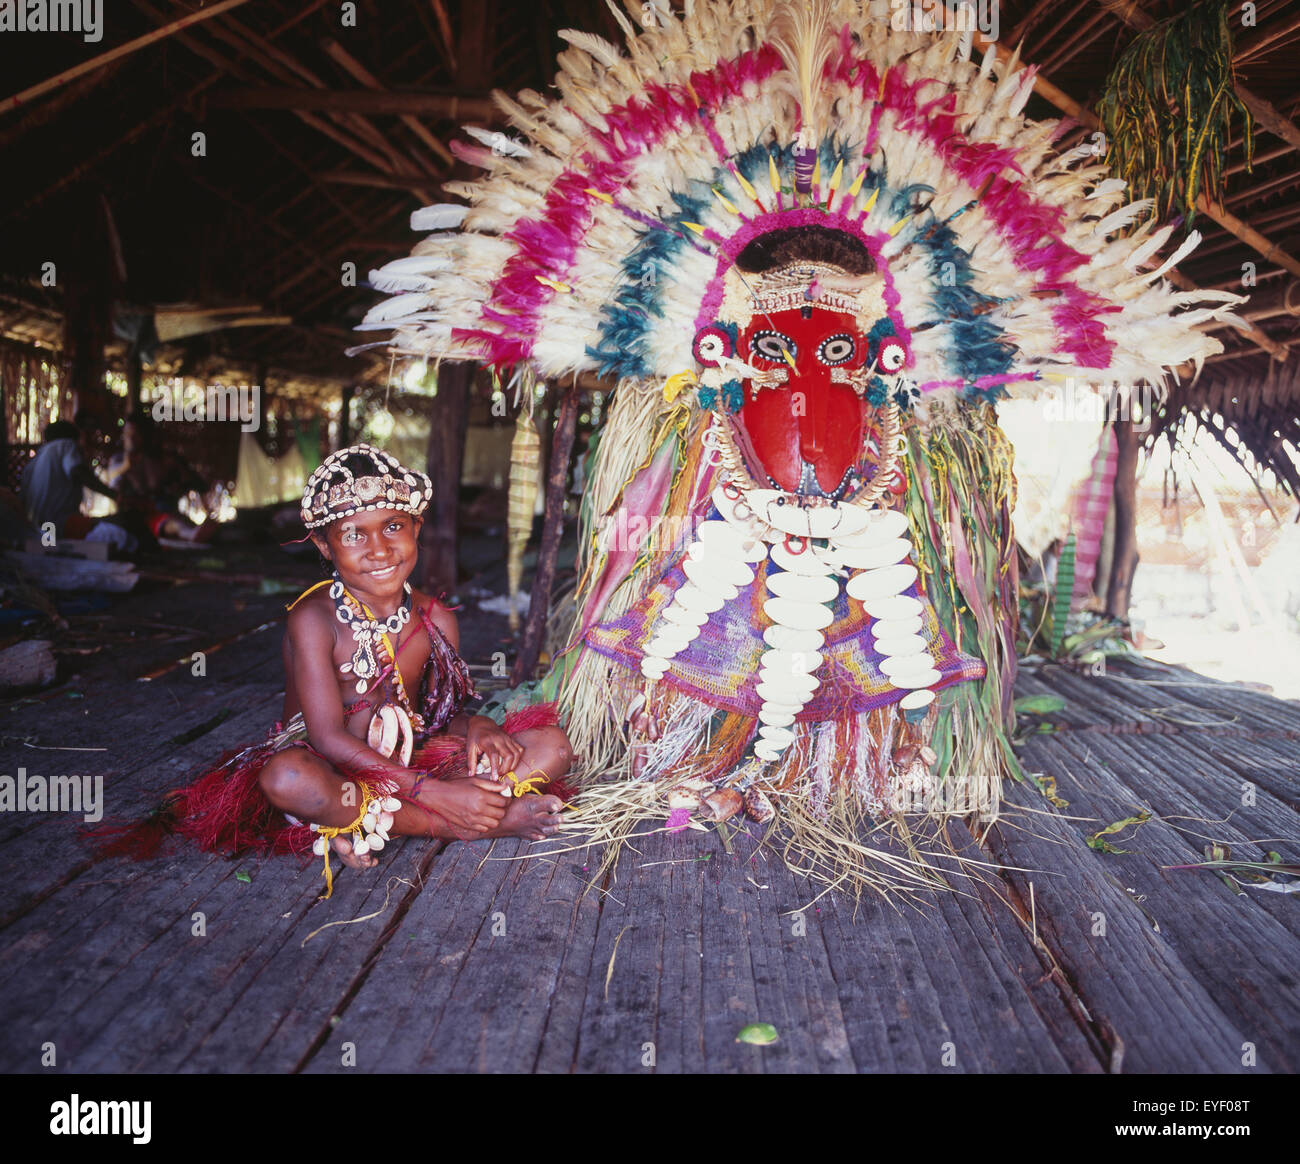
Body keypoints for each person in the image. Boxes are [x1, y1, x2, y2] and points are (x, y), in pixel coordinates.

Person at [91, 444, 573, 896]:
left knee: (551, 744)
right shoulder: (313, 619)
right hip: (334, 769)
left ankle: (383, 822)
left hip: (407, 764)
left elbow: (437, 717)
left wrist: (483, 728)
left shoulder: (435, 617)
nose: (379, 549)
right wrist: (438, 796)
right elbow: (327, 739)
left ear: (416, 528)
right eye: (352, 535)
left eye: (392, 527)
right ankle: (467, 820)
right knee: (287, 780)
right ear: (324, 546)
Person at [19, 412, 117, 537]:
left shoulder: (34, 461)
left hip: (36, 530)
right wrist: (114, 495)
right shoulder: (66, 445)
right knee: (116, 524)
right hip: (59, 525)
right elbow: (78, 471)